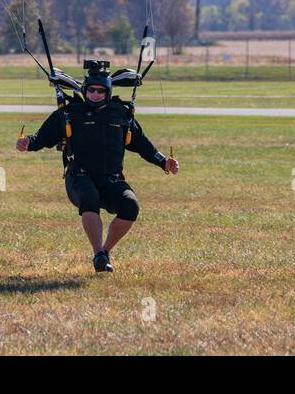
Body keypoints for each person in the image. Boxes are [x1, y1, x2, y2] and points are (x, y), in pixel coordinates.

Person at [16, 61, 178, 272]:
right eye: (91, 90)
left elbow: (142, 145)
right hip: (79, 177)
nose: (95, 94)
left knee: (131, 206)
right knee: (89, 197)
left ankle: (105, 251)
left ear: (108, 91)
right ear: (84, 90)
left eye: (100, 91)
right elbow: (40, 138)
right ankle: (98, 254)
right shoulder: (70, 113)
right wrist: (26, 143)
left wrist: (164, 161)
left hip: (112, 178)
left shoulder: (121, 114)